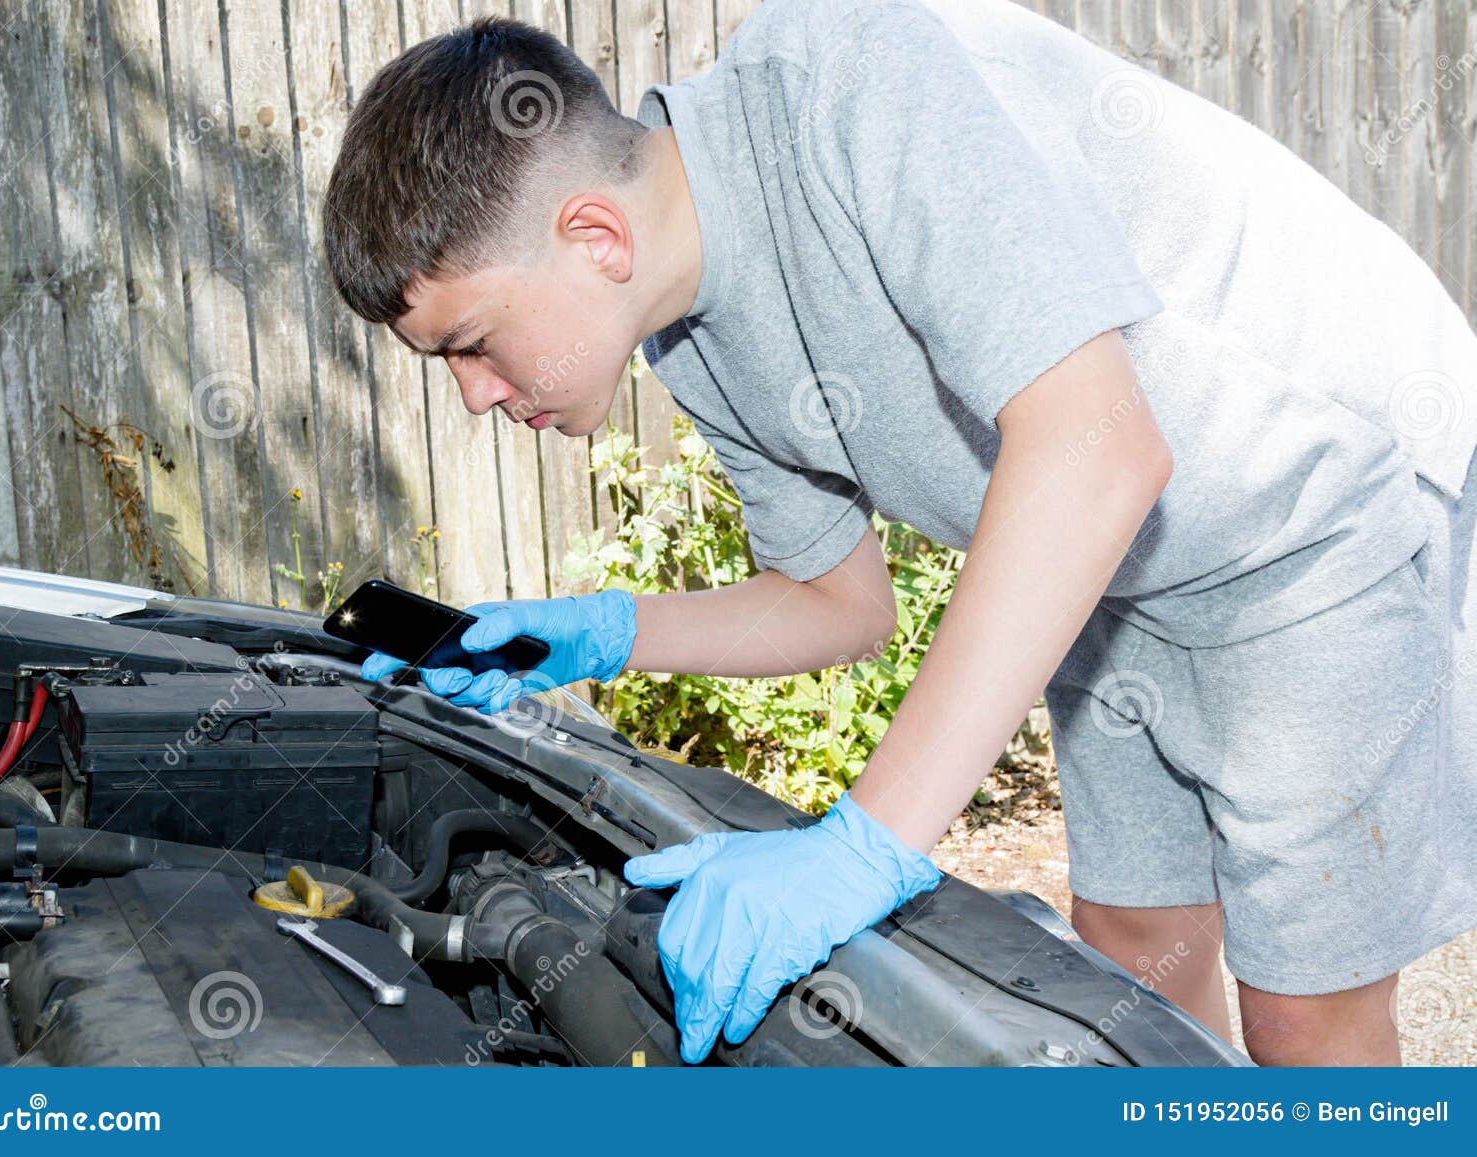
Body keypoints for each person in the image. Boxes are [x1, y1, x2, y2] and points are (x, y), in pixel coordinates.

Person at [322, 0, 1477, 1065]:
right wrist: (591, 634)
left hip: (1316, 496)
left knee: (1301, 1008)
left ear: (595, 235)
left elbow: (1099, 450)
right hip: (1128, 559)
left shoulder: (855, 77)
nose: (474, 394)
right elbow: (839, 605)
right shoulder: (693, 336)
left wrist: (864, 844)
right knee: (1132, 946)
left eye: (468, 342)